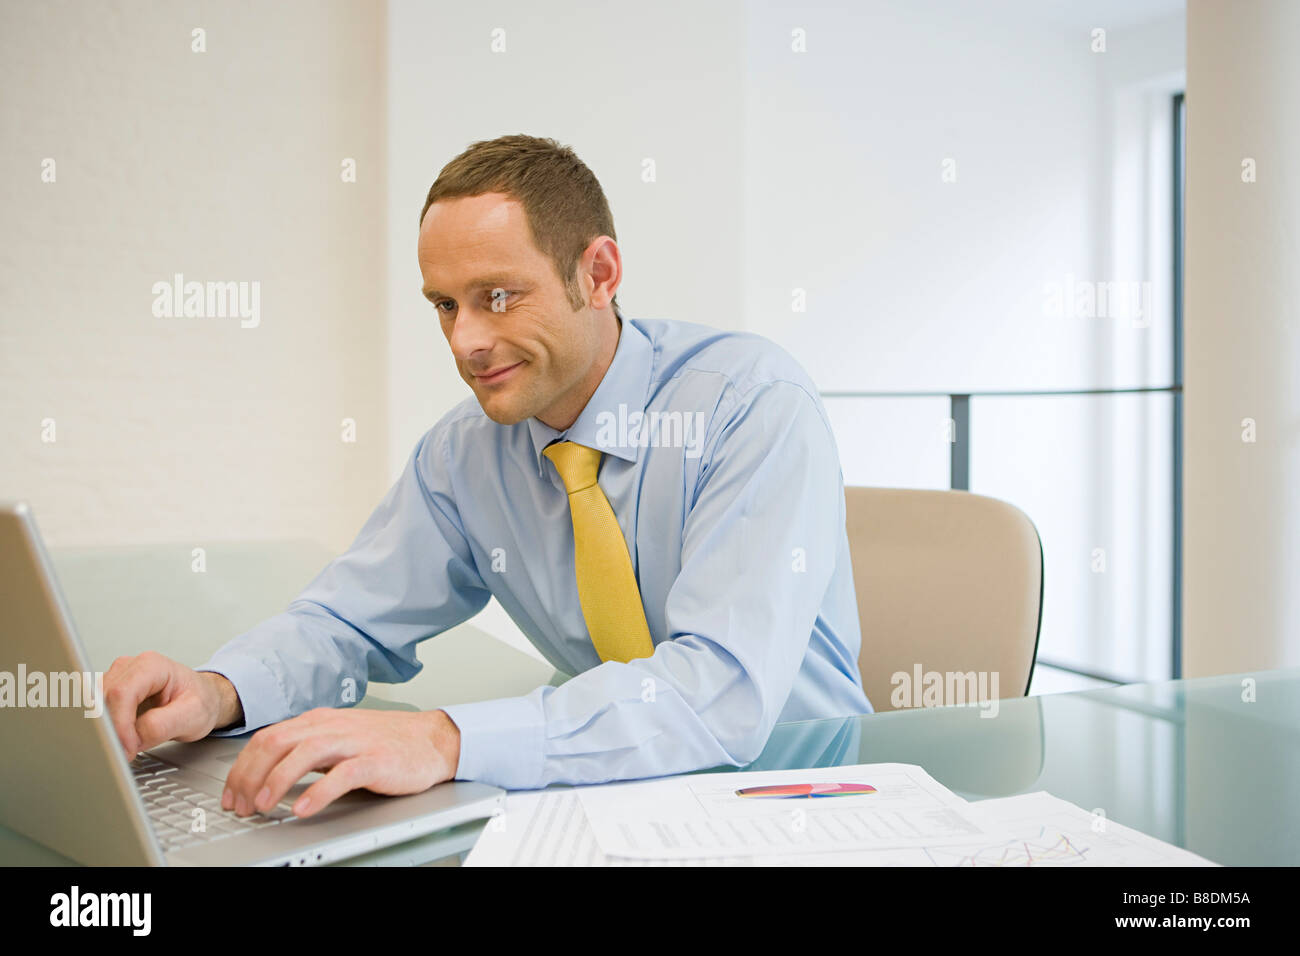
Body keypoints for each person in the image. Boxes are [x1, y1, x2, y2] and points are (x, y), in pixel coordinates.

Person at [103, 134, 872, 819]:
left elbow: (720, 694)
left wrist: (445, 739)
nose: (466, 340)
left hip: (805, 807)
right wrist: (218, 689)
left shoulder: (750, 405)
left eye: (497, 297)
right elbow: (347, 622)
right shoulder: (466, 454)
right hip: (615, 806)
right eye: (445, 305)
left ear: (597, 273)